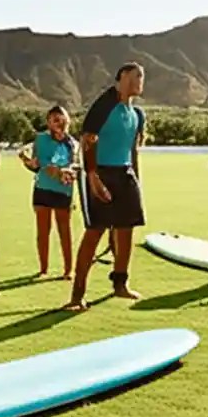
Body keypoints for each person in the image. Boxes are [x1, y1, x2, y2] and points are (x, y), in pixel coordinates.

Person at [65, 63, 147, 310]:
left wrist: (136, 179)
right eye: (135, 76)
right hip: (100, 173)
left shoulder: (137, 114)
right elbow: (88, 141)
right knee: (95, 232)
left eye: (142, 77)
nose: (139, 81)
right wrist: (93, 176)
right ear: (120, 78)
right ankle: (77, 295)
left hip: (125, 174)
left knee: (126, 230)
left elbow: (133, 150)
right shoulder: (104, 106)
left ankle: (120, 284)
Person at [21, 105, 79, 279]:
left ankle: (69, 270)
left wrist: (68, 171)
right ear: (48, 122)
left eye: (61, 120)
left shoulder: (72, 144)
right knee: (43, 231)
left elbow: (76, 165)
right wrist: (27, 160)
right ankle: (43, 269)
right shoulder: (40, 140)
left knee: (64, 230)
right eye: (54, 120)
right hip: (42, 189)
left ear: (67, 121)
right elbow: (37, 163)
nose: (58, 123)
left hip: (63, 191)